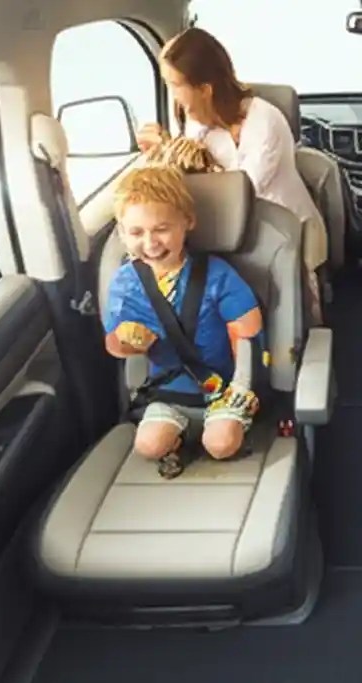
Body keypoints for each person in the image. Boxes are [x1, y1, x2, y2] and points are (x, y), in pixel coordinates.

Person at [136, 27, 327, 325]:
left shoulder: (264, 123)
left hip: (281, 227)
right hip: (221, 228)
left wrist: (178, 152)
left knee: (294, 308)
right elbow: (190, 171)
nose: (172, 95)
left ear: (205, 89)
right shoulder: (189, 118)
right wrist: (163, 155)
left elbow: (242, 195)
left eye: (175, 85)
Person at [103, 165, 264, 478]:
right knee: (148, 446)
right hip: (168, 389)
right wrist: (127, 341)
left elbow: (247, 332)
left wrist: (242, 386)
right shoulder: (125, 283)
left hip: (222, 386)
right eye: (136, 232)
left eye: (161, 229)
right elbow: (115, 344)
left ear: (187, 222)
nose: (150, 243)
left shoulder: (216, 274)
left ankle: (217, 430)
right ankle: (179, 438)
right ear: (122, 233)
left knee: (220, 444)